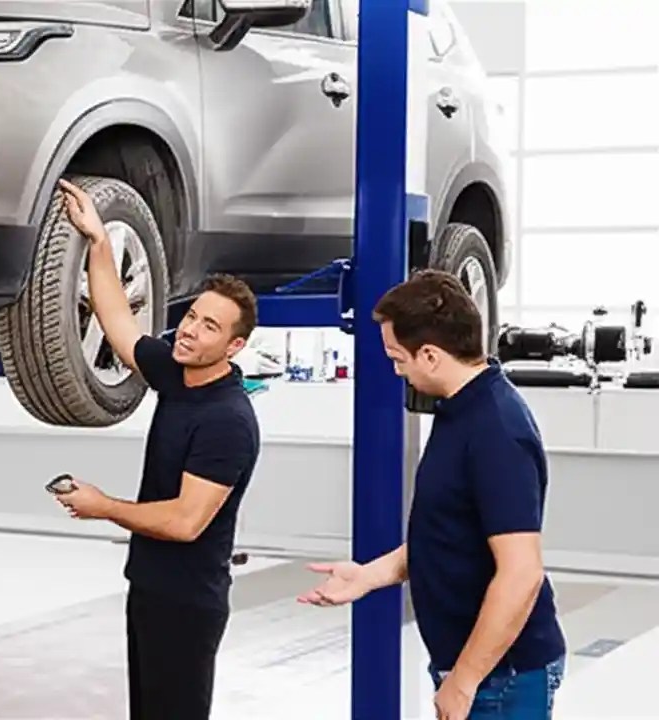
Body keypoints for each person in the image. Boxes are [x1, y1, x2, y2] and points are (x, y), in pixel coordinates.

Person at [298, 269, 566, 720]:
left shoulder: (496, 429)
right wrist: (369, 576)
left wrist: (464, 681)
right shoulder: (460, 411)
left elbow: (522, 574)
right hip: (479, 672)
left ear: (430, 354)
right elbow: (448, 536)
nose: (396, 369)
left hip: (504, 679)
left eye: (398, 358)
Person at [52, 179, 261, 720]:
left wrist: (104, 507)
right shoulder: (176, 374)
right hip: (148, 587)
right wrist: (99, 242)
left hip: (189, 604)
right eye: (193, 316)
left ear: (234, 346)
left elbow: (187, 522)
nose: (190, 330)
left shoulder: (228, 421)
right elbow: (119, 324)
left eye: (209, 327)